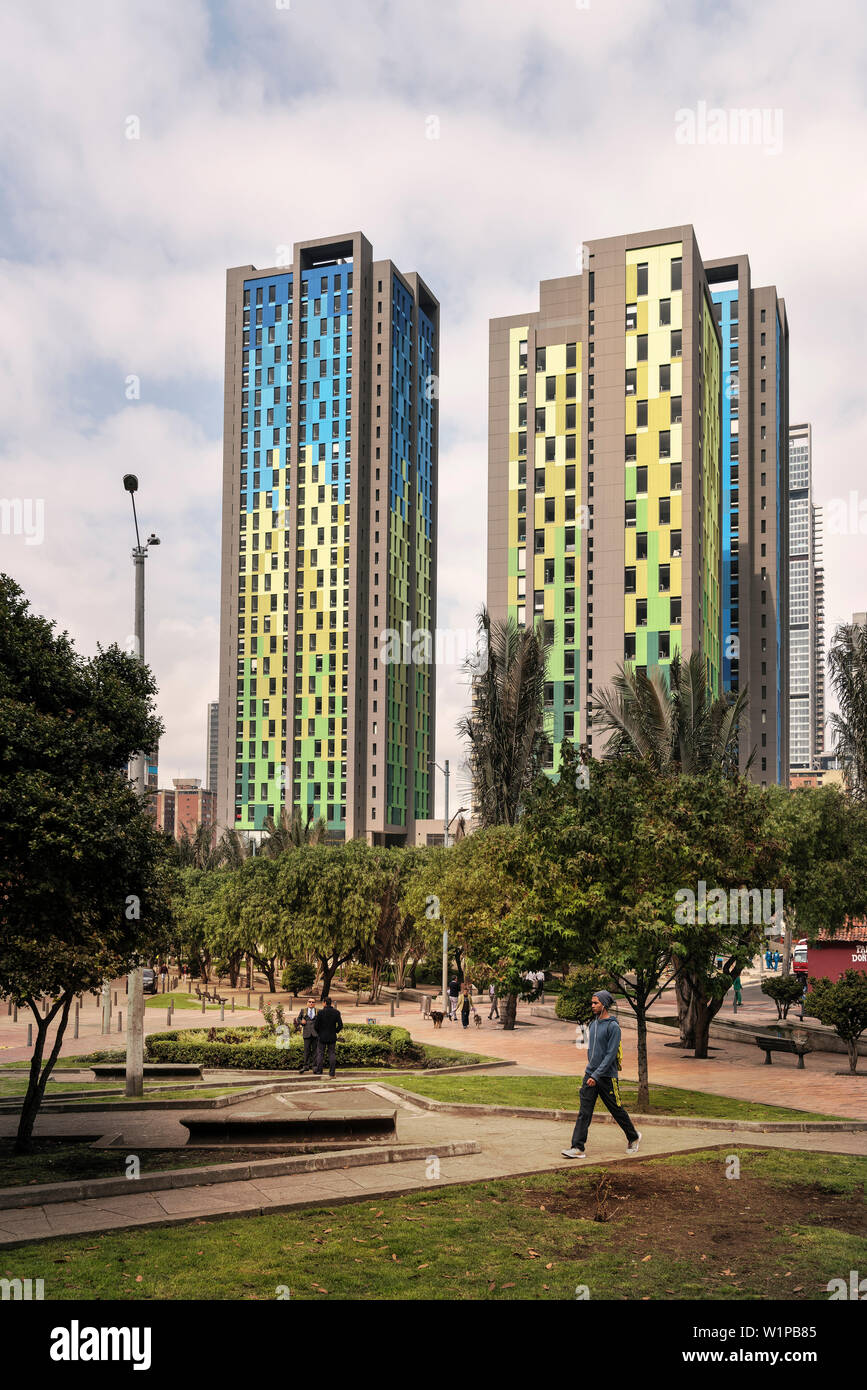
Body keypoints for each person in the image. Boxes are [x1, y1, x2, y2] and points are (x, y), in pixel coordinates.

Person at [561, 990, 641, 1160]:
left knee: (616, 1110)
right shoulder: (593, 1024)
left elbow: (611, 1055)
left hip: (607, 1077)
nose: (592, 1006)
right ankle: (577, 1147)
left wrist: (596, 1075)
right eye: (592, 1003)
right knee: (584, 1112)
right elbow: (592, 1051)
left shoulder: (613, 1027)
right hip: (590, 1075)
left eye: (595, 1003)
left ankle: (633, 1137)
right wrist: (590, 1071)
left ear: (604, 1005)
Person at [312, 995, 344, 1078]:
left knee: (320, 1054)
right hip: (332, 1036)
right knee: (332, 1054)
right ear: (331, 1003)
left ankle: (319, 1071)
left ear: (324, 1003)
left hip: (322, 1036)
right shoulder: (336, 1012)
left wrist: (319, 1032)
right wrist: (335, 1031)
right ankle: (332, 1072)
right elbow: (340, 1025)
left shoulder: (320, 1013)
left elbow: (316, 1026)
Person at [295, 996, 319, 1073]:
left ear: (315, 1004)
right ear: (307, 1003)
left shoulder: (318, 1011)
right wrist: (301, 1022)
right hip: (307, 1033)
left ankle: (315, 1067)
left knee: (315, 1051)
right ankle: (306, 1066)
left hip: (315, 1034)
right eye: (310, 1002)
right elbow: (298, 1019)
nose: (311, 1003)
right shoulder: (303, 1011)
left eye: (313, 1002)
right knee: (306, 1051)